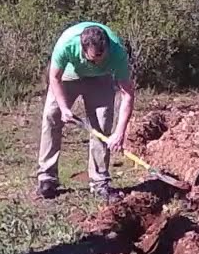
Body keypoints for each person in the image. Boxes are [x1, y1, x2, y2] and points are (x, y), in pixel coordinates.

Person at [36, 21, 136, 201]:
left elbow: (127, 94)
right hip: (68, 74)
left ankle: (99, 183)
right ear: (82, 49)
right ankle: (47, 178)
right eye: (92, 59)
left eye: (101, 57)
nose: (97, 62)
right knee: (52, 116)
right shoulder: (66, 44)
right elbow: (54, 77)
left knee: (102, 122)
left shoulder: (117, 52)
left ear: (106, 47)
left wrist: (119, 133)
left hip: (100, 79)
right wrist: (64, 107)